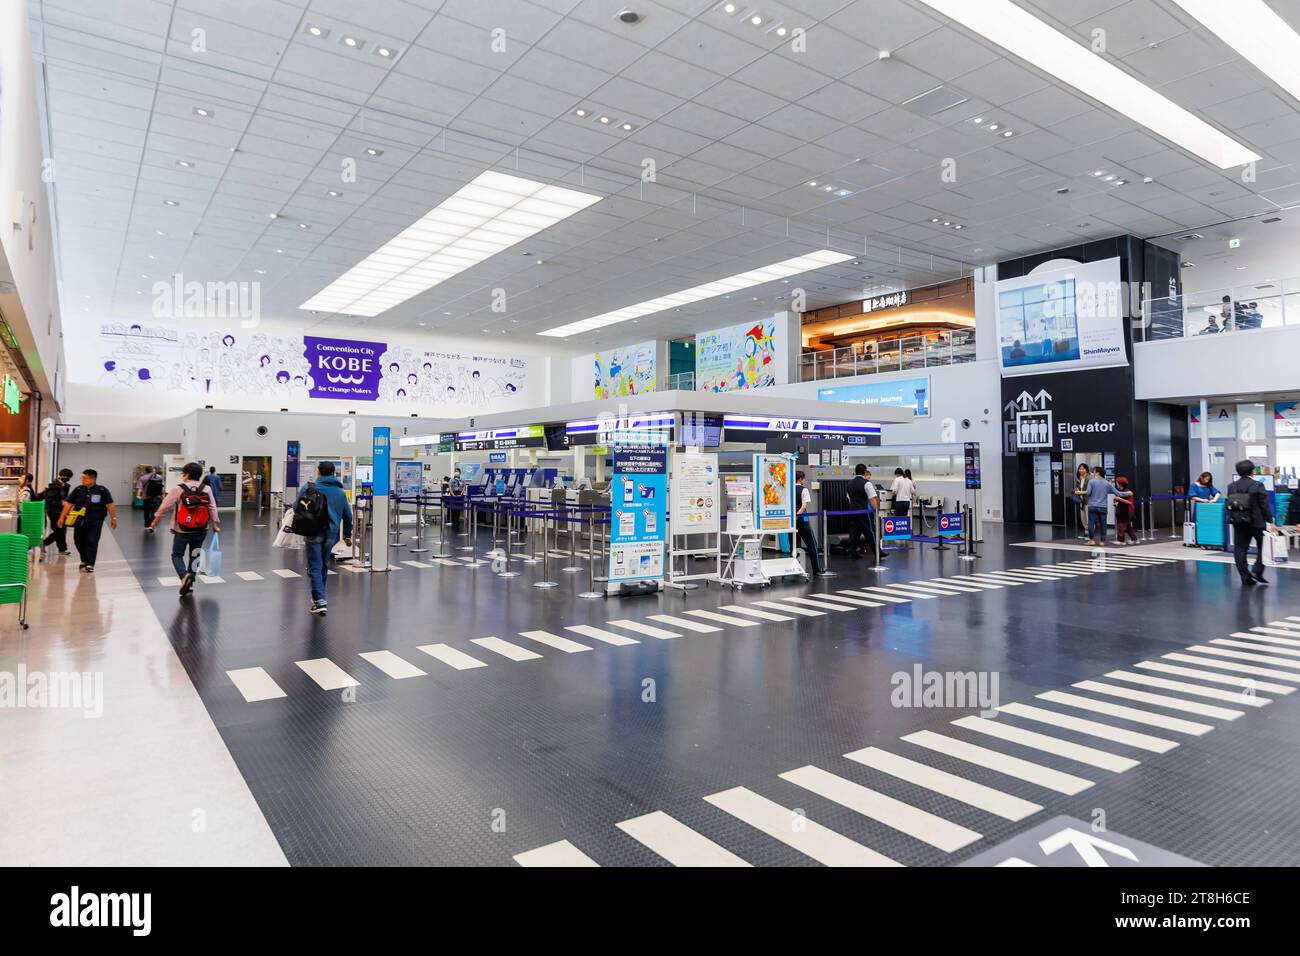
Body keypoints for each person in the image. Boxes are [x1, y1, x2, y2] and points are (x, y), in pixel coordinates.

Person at [147, 461, 220, 597]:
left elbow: (164, 506)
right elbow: (212, 507)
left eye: (183, 474)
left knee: (177, 555)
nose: (182, 476)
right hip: (201, 528)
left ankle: (183, 576)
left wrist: (155, 522)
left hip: (182, 529)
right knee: (195, 555)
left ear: (187, 475)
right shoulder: (206, 489)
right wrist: (215, 524)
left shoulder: (178, 488)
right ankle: (190, 581)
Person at [295, 460, 353, 615]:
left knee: (314, 565)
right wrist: (347, 535)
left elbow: (296, 506)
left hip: (313, 531)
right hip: (331, 533)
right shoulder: (341, 493)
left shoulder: (308, 488)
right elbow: (348, 516)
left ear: (318, 472)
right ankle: (319, 597)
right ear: (334, 473)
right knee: (323, 565)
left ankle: (320, 600)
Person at [1226, 459, 1277, 587]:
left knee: (1240, 548)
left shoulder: (1231, 486)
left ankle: (1245, 576)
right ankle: (1257, 570)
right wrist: (1271, 521)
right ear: (1252, 471)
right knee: (1263, 547)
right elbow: (1264, 505)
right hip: (1256, 522)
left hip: (1238, 521)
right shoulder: (1258, 485)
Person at [58, 468, 117, 572]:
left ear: (93, 479)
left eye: (84, 478)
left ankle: (90, 563)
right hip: (79, 521)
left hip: (95, 521)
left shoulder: (102, 490)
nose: (82, 479)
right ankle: (84, 559)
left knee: (92, 541)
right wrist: (62, 517)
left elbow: (110, 505)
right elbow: (68, 504)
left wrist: (113, 518)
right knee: (78, 541)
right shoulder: (78, 490)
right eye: (82, 477)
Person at [845, 463, 880, 559]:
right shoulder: (867, 483)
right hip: (863, 511)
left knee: (854, 531)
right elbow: (872, 499)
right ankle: (878, 552)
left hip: (852, 510)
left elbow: (849, 498)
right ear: (865, 472)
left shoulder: (850, 483)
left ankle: (852, 550)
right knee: (870, 531)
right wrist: (875, 510)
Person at [38, 468, 74, 555]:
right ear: (61, 476)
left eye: (69, 477)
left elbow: (64, 497)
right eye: (67, 477)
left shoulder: (65, 486)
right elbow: (48, 500)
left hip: (61, 511)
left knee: (61, 530)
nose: (67, 479)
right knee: (60, 530)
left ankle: (61, 548)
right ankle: (46, 543)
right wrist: (61, 502)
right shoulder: (54, 486)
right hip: (54, 511)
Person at [794, 470, 823, 576]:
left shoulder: (788, 489)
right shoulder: (804, 489)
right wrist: (797, 515)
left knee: (794, 545)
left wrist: (793, 517)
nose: (804, 480)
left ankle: (795, 568)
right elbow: (804, 505)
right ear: (801, 479)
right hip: (802, 520)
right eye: (804, 478)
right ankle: (816, 569)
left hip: (791, 521)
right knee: (812, 544)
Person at [1084, 466, 1120, 546]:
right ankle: (1102, 541)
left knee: (1091, 523)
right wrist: (1127, 493)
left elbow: (1088, 493)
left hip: (1092, 506)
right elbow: (1117, 493)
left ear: (1097, 473)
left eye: (1094, 471)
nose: (1093, 473)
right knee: (1103, 524)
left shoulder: (1092, 482)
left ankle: (1092, 540)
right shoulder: (1107, 483)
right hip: (1103, 506)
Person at [1112, 476, 1139, 544]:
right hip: (1123, 510)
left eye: (1117, 483)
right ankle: (1135, 539)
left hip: (1127, 511)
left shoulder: (1127, 492)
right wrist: (1117, 503)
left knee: (1121, 525)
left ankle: (1120, 540)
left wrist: (1119, 499)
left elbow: (1129, 502)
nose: (1116, 484)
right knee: (1127, 527)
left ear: (1120, 484)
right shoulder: (1120, 491)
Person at [1071, 463, 1091, 539]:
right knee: (1083, 518)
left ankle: (1090, 534)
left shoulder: (1090, 478)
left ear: (1086, 469)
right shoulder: (1080, 478)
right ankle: (1086, 533)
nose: (1081, 470)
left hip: (1088, 501)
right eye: (1080, 468)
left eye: (1083, 468)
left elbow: (1089, 491)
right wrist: (1078, 490)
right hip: (1082, 501)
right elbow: (1081, 488)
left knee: (1088, 518)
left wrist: (1080, 492)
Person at [448, 467, 465, 533]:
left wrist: (461, 493)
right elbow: (450, 487)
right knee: (453, 508)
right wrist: (453, 494)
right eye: (455, 471)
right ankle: (453, 521)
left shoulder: (462, 479)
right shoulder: (451, 480)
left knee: (458, 508)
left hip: (459, 493)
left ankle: (457, 520)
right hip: (453, 493)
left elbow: (464, 487)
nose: (456, 472)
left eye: (457, 471)